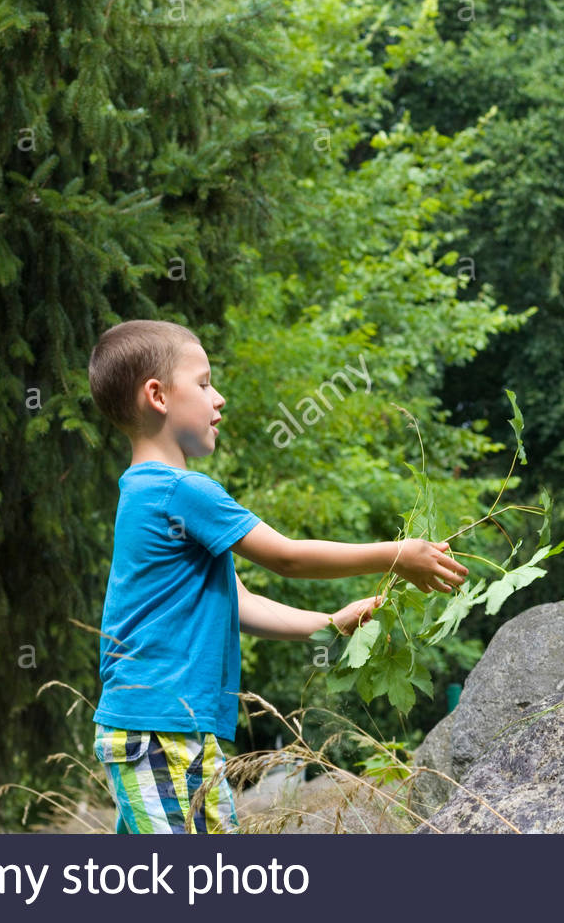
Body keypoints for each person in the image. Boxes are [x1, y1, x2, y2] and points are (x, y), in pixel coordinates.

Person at [86, 319, 468, 833]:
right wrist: (398, 554)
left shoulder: (148, 492)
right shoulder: (179, 491)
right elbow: (286, 557)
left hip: (164, 727)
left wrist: (330, 622)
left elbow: (238, 603)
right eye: (203, 383)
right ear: (156, 395)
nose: (218, 398)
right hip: (160, 729)